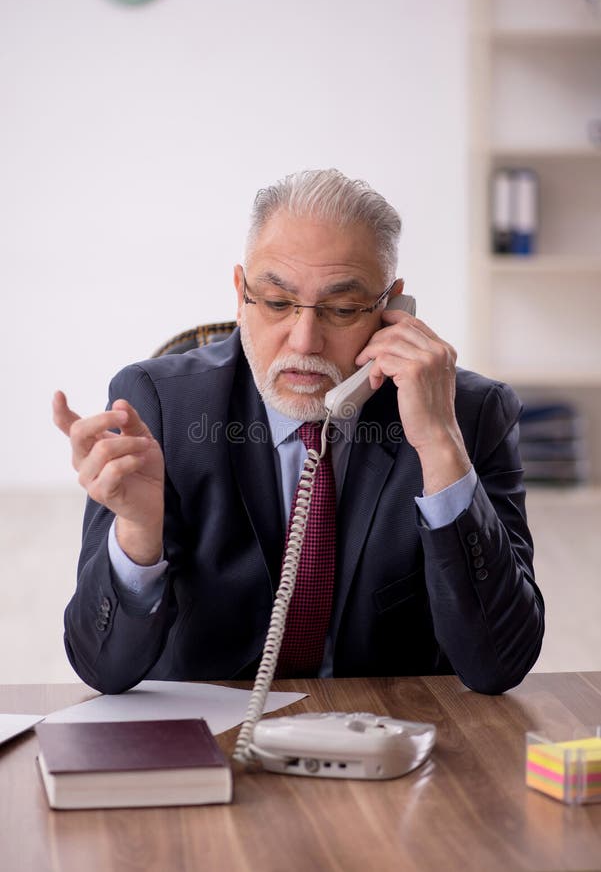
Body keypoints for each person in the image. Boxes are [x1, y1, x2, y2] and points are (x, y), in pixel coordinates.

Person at [53, 169, 544, 696]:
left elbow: (500, 664)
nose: (305, 340)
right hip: (216, 738)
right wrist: (138, 535)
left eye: (342, 308)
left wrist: (441, 447)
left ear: (393, 309)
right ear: (241, 293)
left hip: (393, 737)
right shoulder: (158, 407)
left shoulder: (470, 414)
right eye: (278, 302)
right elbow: (102, 669)